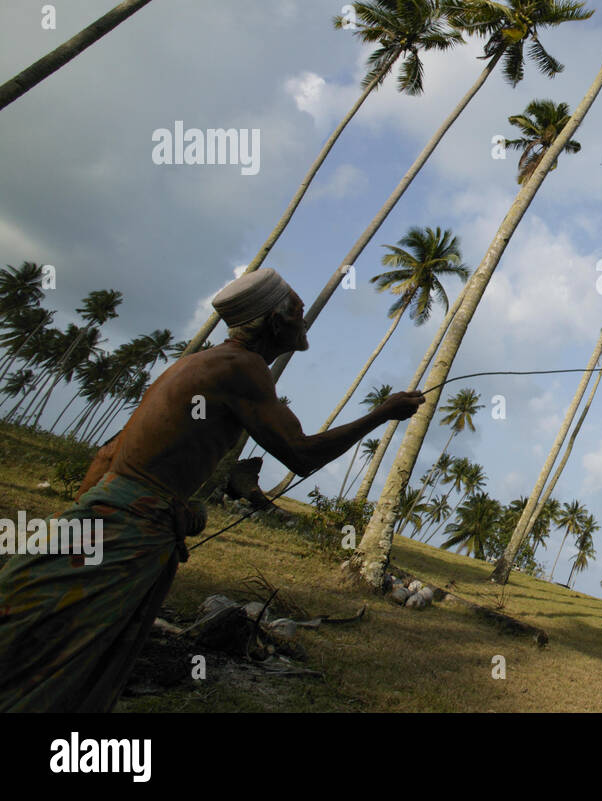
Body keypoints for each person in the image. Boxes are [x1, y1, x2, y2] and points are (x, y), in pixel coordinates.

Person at [0, 268, 424, 712]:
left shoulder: (198, 363)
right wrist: (383, 412)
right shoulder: (244, 368)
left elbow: (108, 455)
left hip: (104, 511)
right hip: (128, 530)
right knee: (67, 661)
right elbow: (301, 455)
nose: (305, 319)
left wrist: (146, 509)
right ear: (275, 321)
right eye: (298, 310)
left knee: (32, 627)